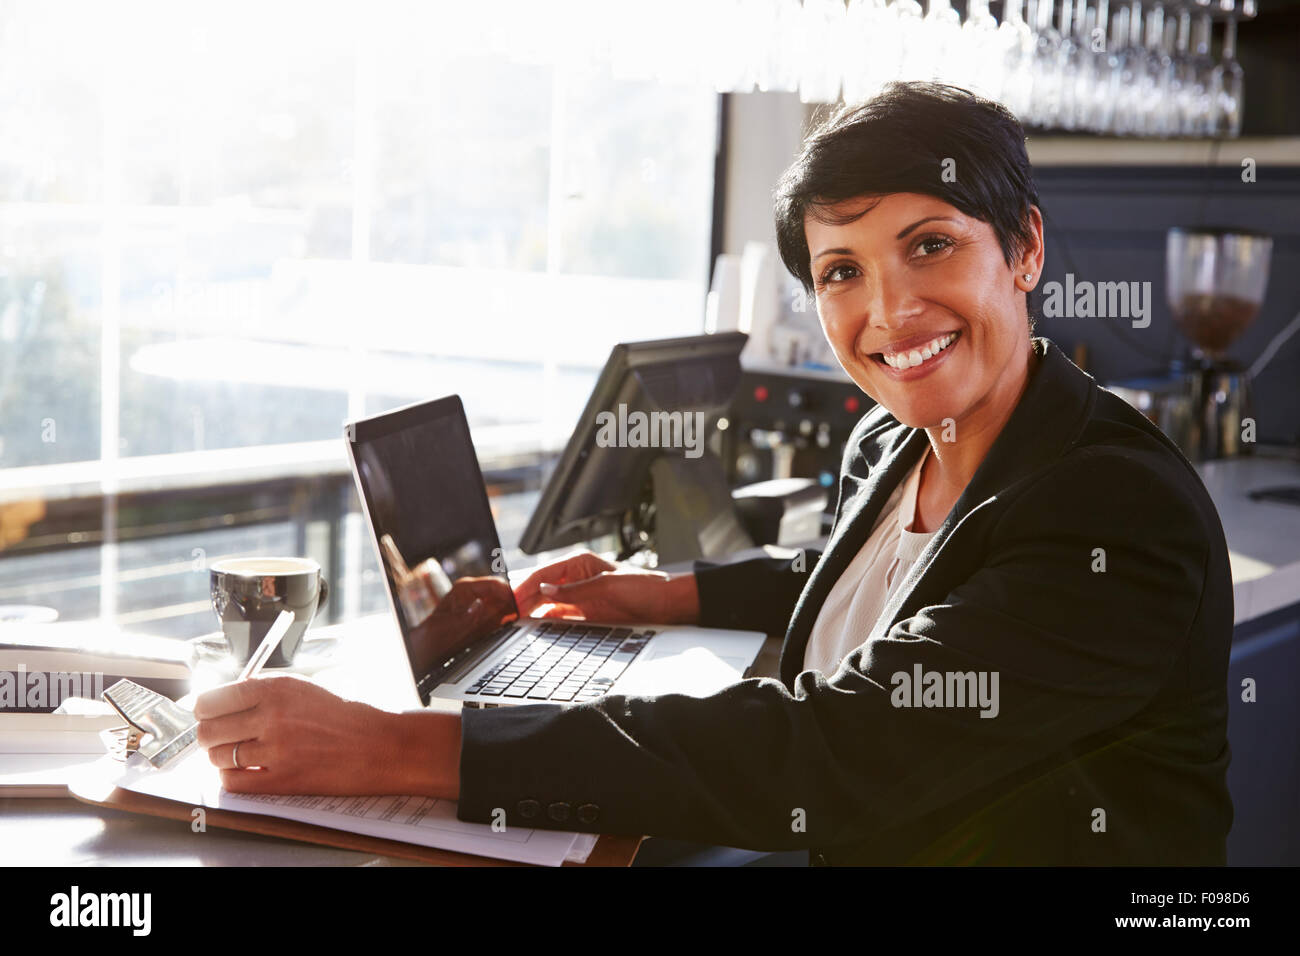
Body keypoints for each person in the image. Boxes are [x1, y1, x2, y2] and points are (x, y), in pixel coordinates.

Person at [194, 82, 1234, 865]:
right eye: (842, 271)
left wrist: (395, 746)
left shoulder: (1114, 505)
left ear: (1023, 249)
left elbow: (843, 743)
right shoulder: (898, 441)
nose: (889, 311)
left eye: (928, 246)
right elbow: (883, 581)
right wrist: (666, 590)